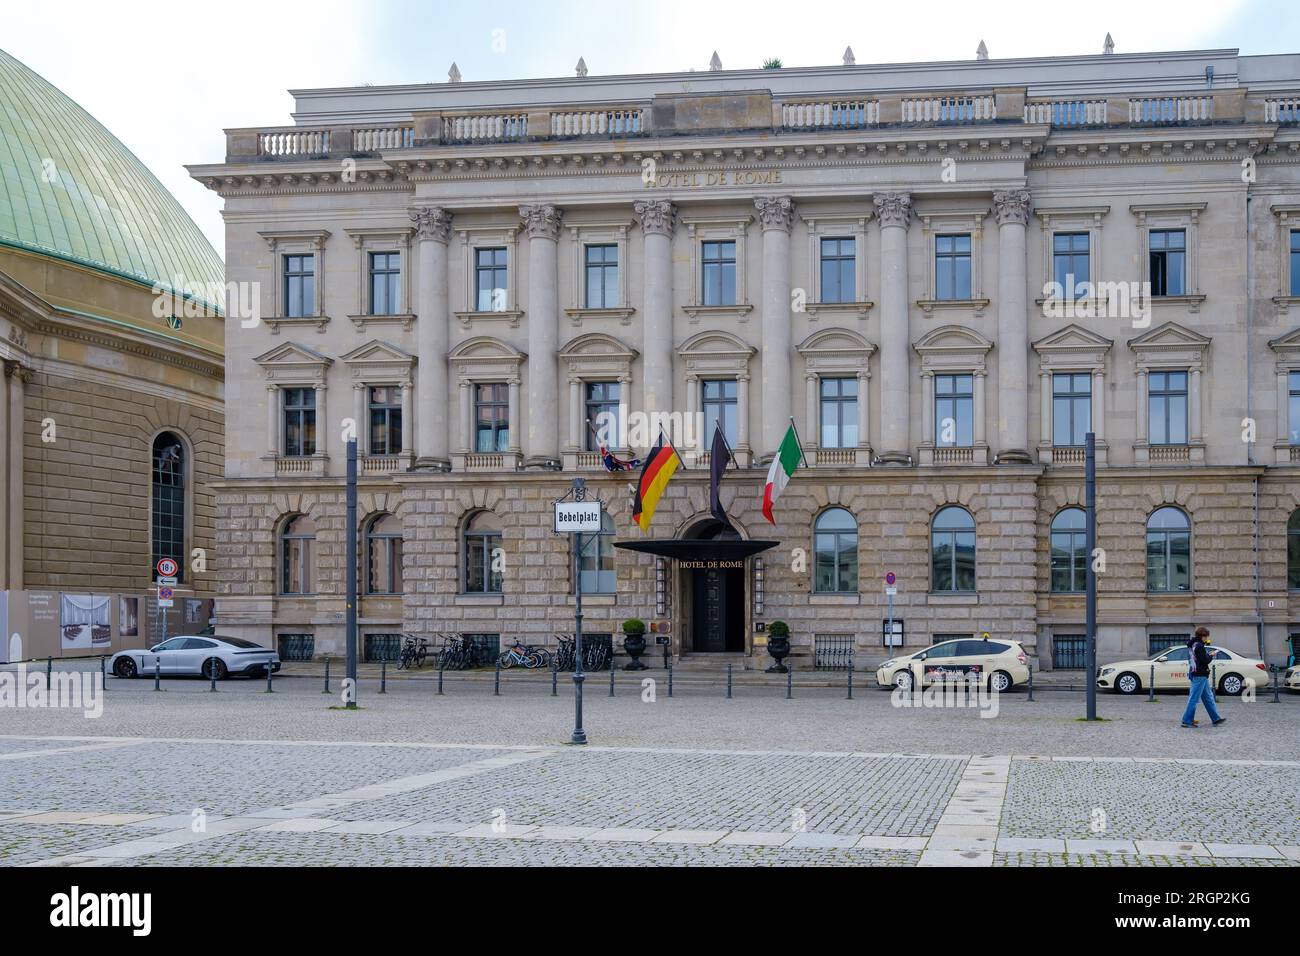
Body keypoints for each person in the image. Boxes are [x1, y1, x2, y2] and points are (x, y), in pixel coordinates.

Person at [1181, 627, 1225, 728]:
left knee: (1208, 698)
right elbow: (1204, 661)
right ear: (1202, 636)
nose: (1207, 638)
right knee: (1194, 699)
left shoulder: (1193, 644)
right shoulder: (1199, 646)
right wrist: (1211, 655)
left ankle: (1215, 718)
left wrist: (1206, 655)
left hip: (1198, 673)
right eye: (1206, 636)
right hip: (1199, 674)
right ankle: (1187, 720)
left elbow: (1198, 659)